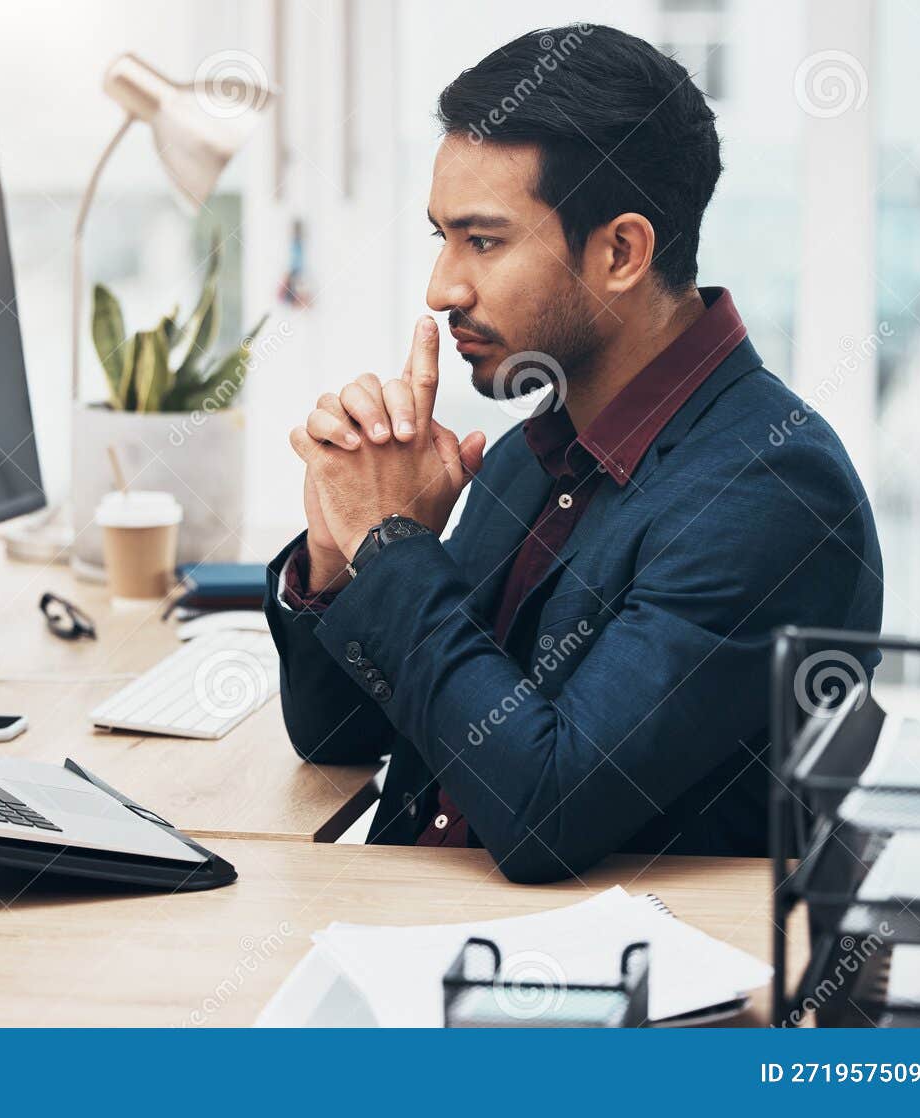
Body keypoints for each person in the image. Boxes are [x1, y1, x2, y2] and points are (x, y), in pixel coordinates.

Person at [261, 23, 883, 883]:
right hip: (414, 928)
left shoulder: (772, 490)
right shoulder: (528, 457)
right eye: (440, 237)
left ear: (621, 251)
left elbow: (545, 810)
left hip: (596, 985)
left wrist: (392, 547)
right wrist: (340, 560)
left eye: (482, 240)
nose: (441, 288)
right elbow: (341, 738)